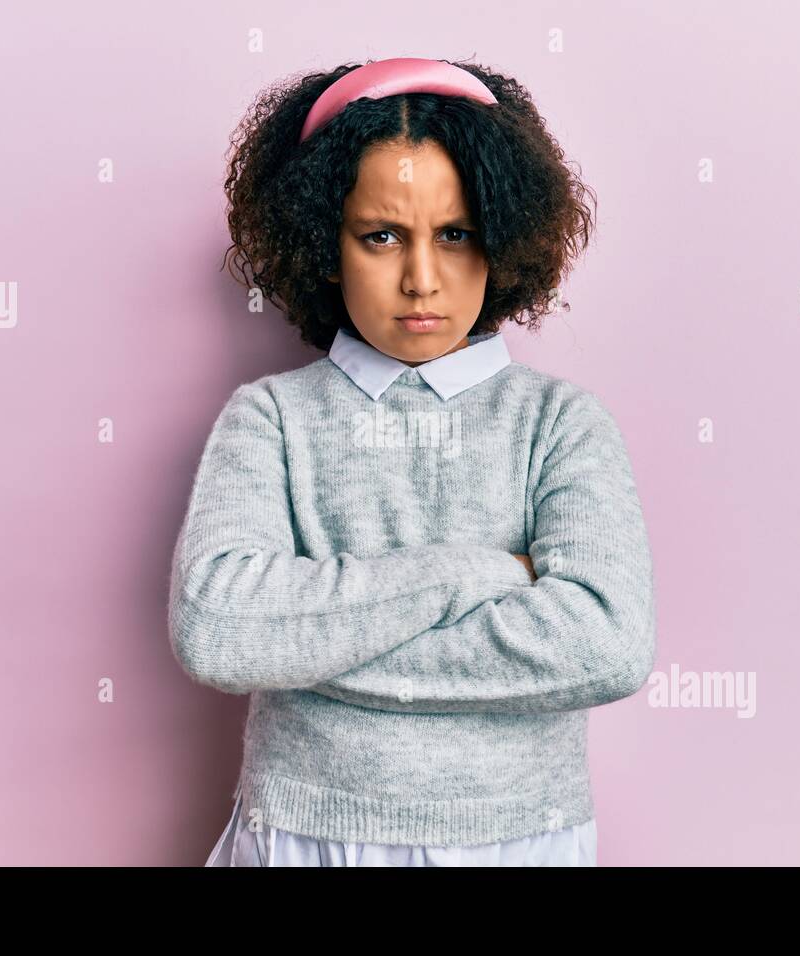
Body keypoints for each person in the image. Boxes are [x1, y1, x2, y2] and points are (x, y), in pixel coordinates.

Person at [168, 56, 656, 866]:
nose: (422, 279)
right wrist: (482, 576)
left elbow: (606, 644)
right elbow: (218, 631)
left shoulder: (561, 424)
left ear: (502, 240)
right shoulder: (271, 420)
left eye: (457, 234)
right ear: (326, 244)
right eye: (382, 235)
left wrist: (309, 643)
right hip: (302, 839)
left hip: (519, 839)